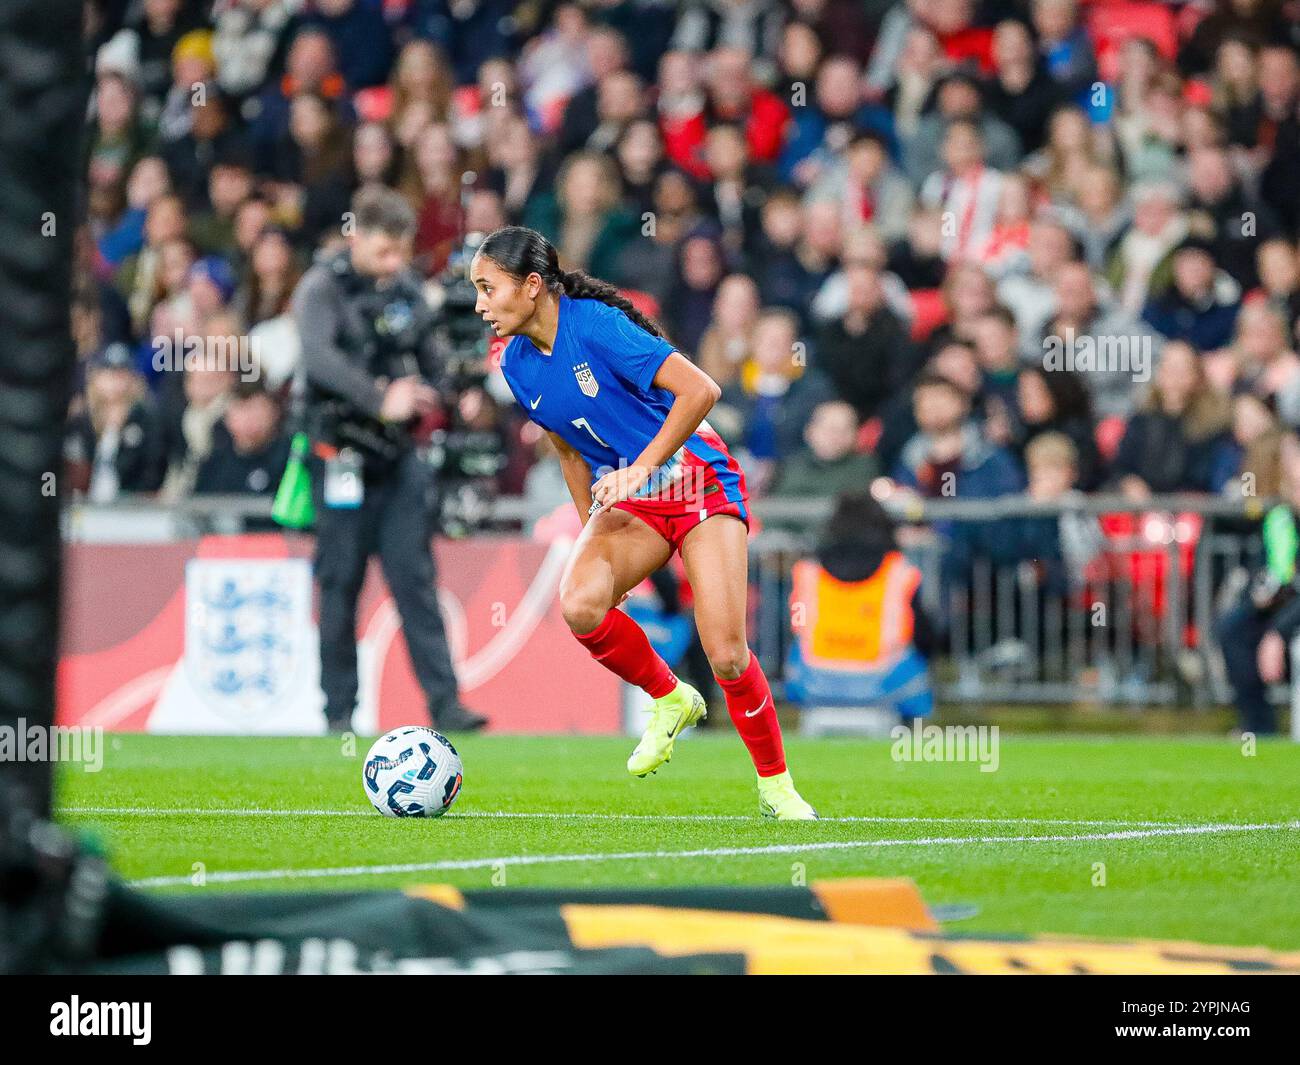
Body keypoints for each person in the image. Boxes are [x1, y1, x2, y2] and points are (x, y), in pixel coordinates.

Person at [470, 225, 817, 819]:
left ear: (532, 286)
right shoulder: (517, 364)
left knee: (728, 655)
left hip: (696, 481)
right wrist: (592, 533)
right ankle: (669, 697)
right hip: (634, 503)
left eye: (487, 287)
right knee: (581, 603)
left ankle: (776, 787)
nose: (479, 305)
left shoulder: (597, 325)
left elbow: (701, 392)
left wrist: (639, 470)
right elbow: (571, 452)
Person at [291, 186, 485, 734]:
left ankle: (447, 705)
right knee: (340, 585)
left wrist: (456, 393)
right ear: (357, 235)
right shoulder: (321, 288)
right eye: (384, 251)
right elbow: (320, 358)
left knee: (415, 582)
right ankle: (338, 715)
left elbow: (434, 359)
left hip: (397, 459)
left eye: (401, 252)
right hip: (338, 457)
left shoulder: (404, 290)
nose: (395, 264)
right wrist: (381, 399)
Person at [784, 492, 936, 723]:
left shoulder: (808, 572)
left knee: (797, 649)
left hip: (814, 682)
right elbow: (925, 637)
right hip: (884, 683)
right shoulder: (899, 572)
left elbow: (796, 626)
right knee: (917, 662)